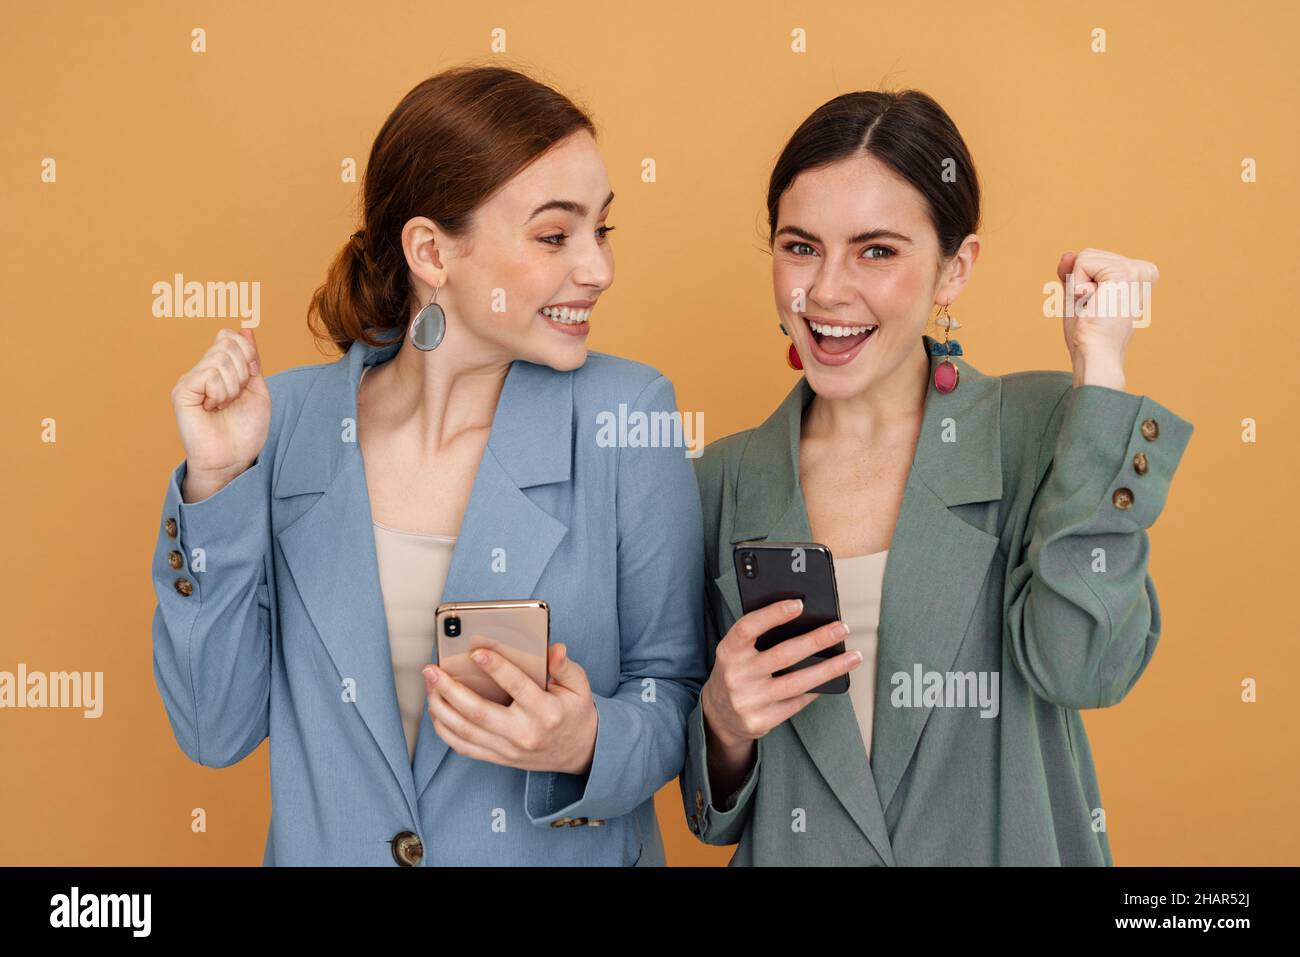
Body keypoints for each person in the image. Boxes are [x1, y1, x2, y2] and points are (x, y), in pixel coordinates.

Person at [150, 64, 705, 866]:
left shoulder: (630, 416)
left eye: (602, 230)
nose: (598, 268)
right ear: (431, 252)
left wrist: (587, 739)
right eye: (556, 235)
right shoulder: (283, 422)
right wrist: (217, 486)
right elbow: (213, 728)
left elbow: (674, 691)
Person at [679, 89, 1193, 864]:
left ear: (956, 268)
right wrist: (722, 718)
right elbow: (714, 817)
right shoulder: (720, 480)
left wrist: (1102, 367)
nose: (824, 291)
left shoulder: (1042, 428)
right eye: (801, 246)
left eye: (876, 250)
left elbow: (1085, 668)